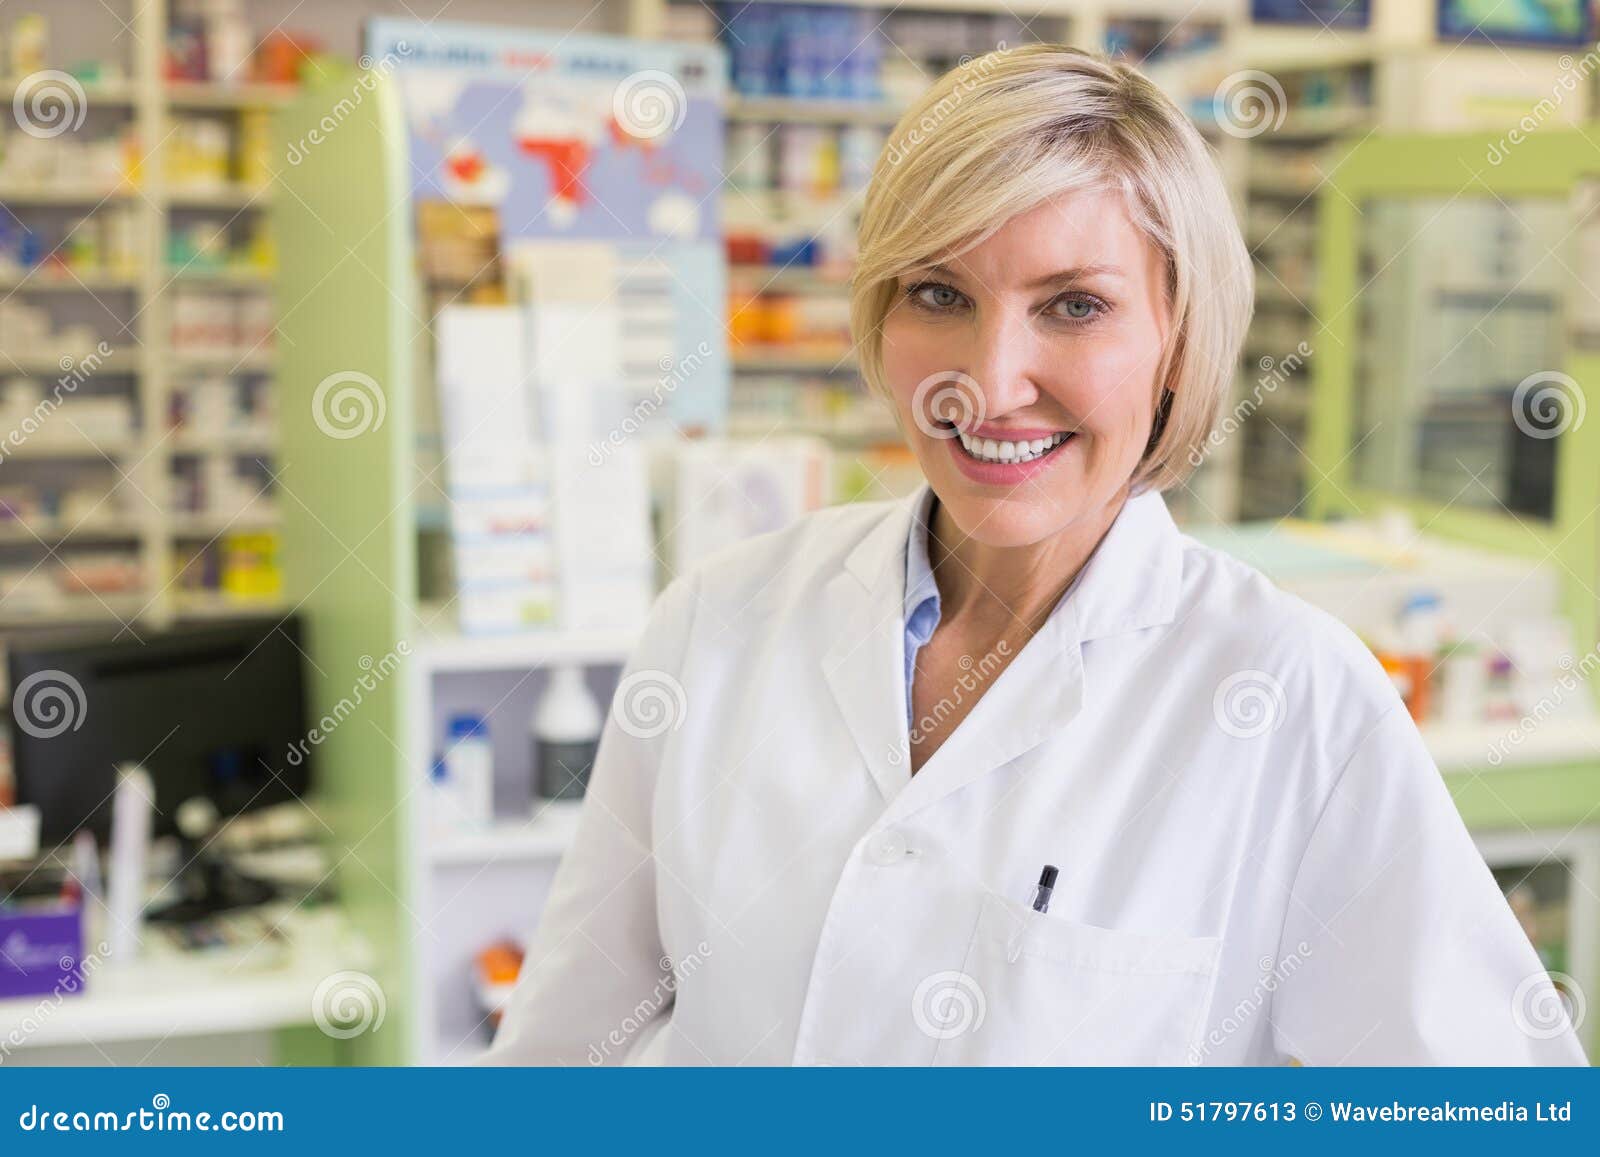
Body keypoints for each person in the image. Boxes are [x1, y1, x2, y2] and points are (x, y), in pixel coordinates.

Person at [482, 45, 1587, 1066]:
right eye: (939, 294)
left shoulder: (1293, 696)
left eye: (1073, 305)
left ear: (1178, 337)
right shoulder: (719, 618)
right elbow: (560, 1056)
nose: (990, 379)